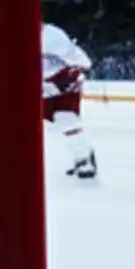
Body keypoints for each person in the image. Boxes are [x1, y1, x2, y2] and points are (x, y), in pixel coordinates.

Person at [42, 22, 97, 179]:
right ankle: (82, 156)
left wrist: (68, 79)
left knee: (67, 121)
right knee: (52, 125)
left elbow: (81, 61)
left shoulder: (51, 35)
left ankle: (84, 159)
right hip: (42, 87)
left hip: (62, 85)